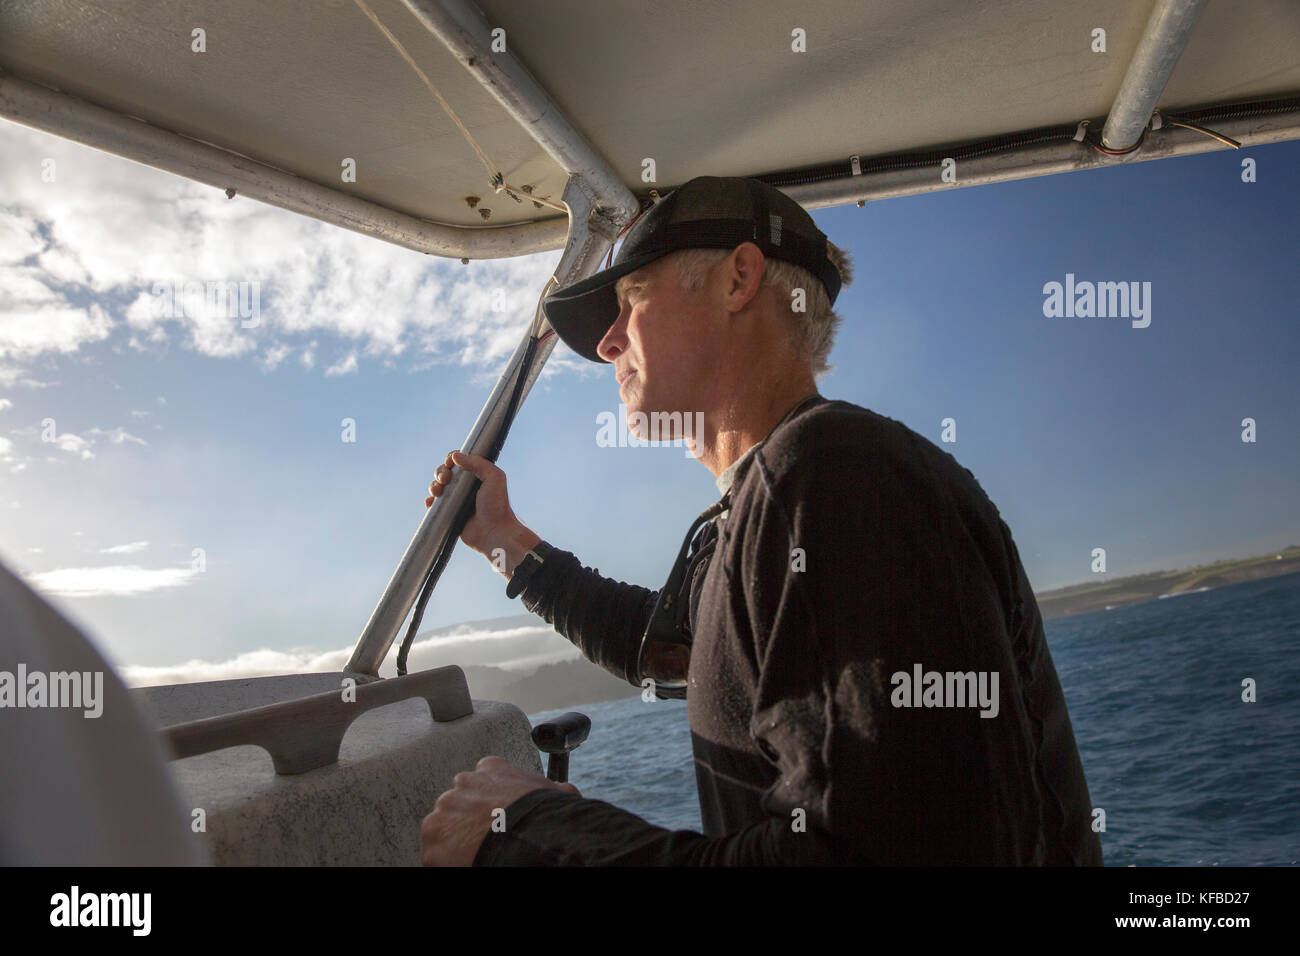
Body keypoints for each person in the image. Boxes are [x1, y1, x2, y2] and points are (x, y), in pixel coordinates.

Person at [419, 176, 1103, 866]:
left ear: (738, 279)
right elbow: (676, 650)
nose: (607, 343)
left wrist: (532, 830)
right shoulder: (773, 498)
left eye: (631, 299)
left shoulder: (834, 479)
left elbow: (876, 852)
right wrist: (504, 541)